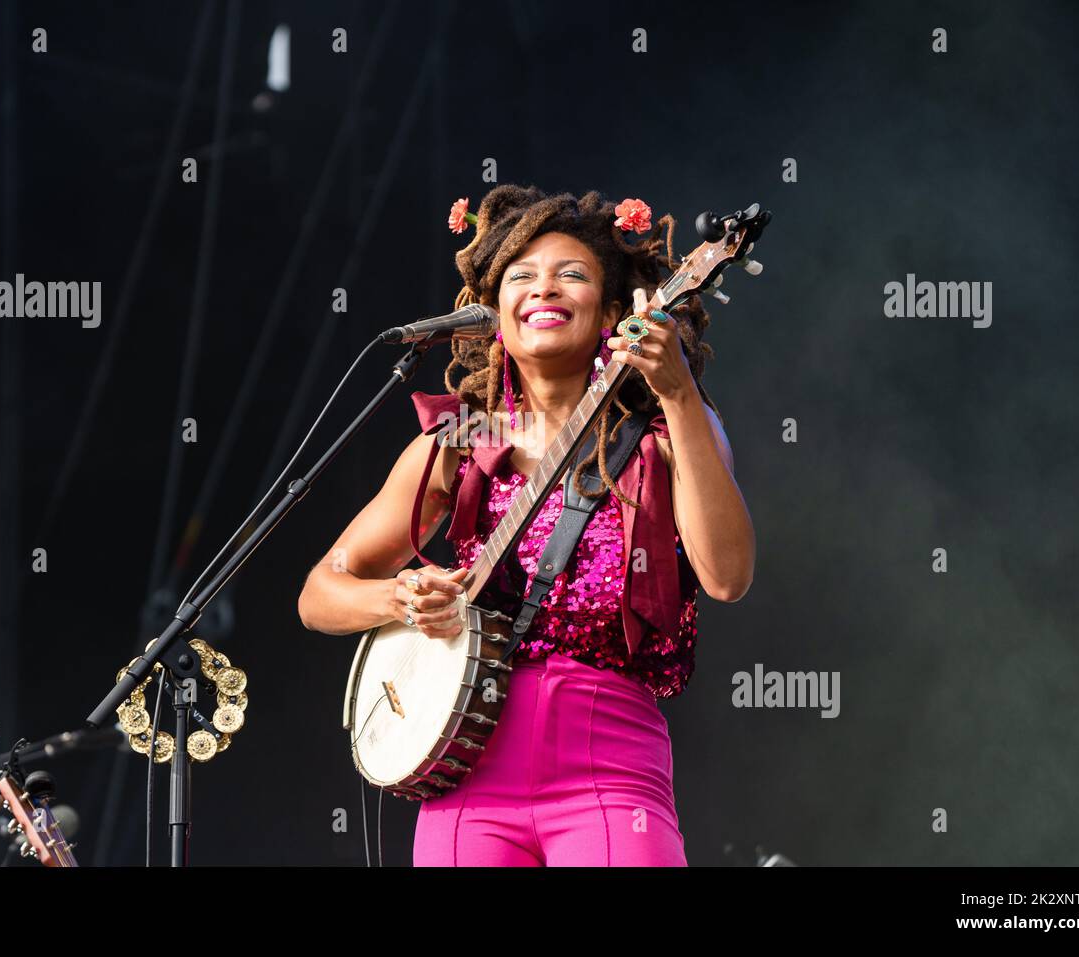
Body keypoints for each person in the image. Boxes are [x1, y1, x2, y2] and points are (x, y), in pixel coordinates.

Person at [298, 184, 755, 866]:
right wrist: (399, 597)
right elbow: (321, 591)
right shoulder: (459, 441)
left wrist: (679, 391)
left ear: (610, 310)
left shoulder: (665, 431)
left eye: (572, 273)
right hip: (466, 787)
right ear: (496, 313)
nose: (545, 287)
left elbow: (727, 576)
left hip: (610, 780)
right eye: (522, 276)